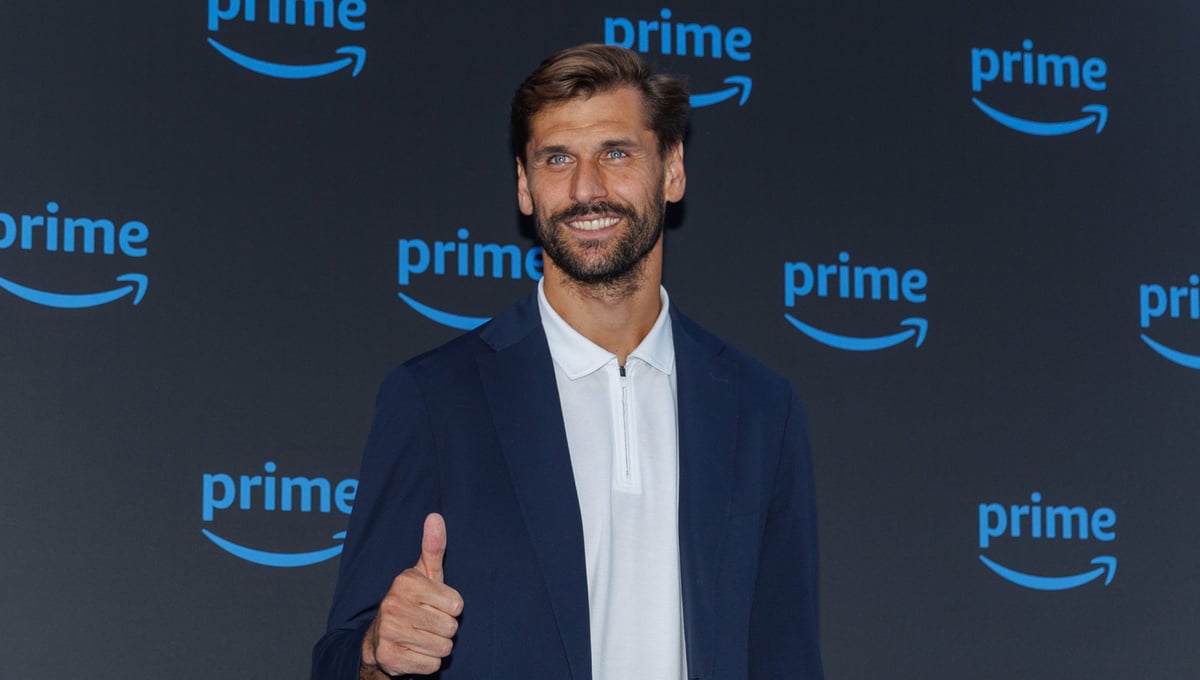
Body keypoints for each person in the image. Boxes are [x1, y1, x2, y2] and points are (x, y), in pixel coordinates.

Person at [312, 43, 823, 680]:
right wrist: (375, 654)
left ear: (672, 169)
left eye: (616, 152)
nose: (587, 189)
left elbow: (788, 655)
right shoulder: (436, 398)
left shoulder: (760, 408)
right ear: (525, 187)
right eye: (558, 159)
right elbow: (338, 658)